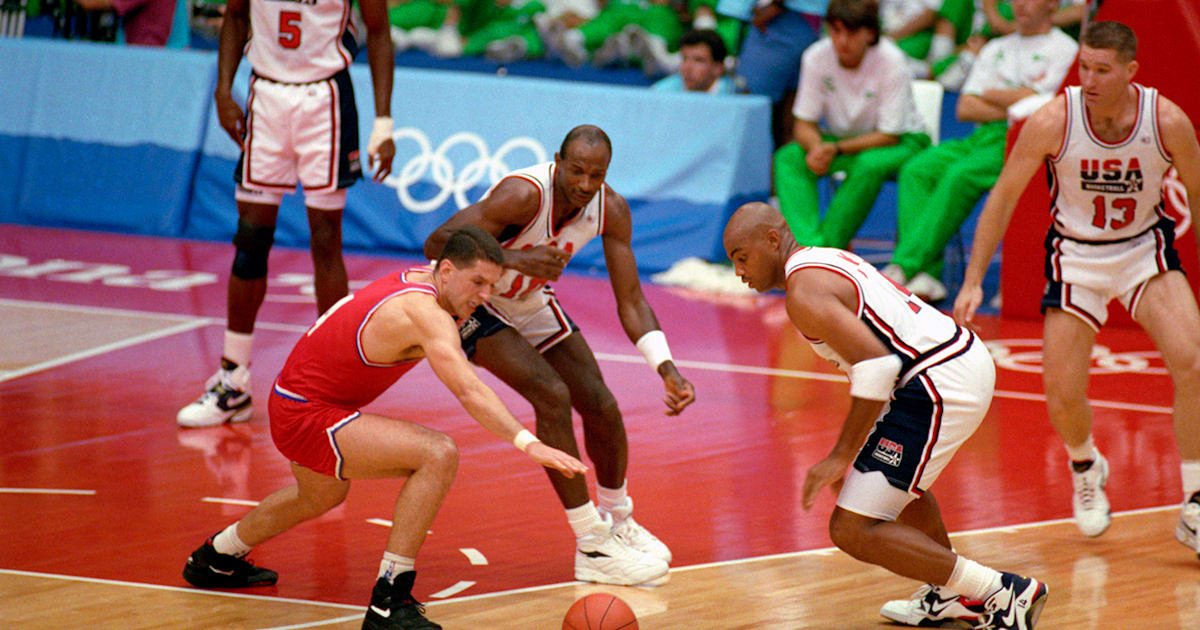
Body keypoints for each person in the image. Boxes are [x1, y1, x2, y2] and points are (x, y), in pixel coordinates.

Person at [181, 227, 588, 630]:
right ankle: (389, 600)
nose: (484, 295)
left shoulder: (423, 281)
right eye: (477, 282)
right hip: (306, 412)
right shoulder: (424, 312)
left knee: (320, 495)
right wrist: (528, 443)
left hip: (296, 401)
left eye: (491, 286)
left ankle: (216, 556)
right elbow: (469, 389)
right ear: (447, 271)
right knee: (437, 453)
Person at [724, 201, 1048, 630]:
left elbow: (877, 366)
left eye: (741, 257)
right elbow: (879, 360)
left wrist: (841, 455)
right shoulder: (821, 259)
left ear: (771, 239)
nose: (738, 272)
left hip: (936, 381)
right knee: (889, 486)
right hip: (942, 367)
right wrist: (860, 449)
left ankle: (1000, 590)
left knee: (851, 528)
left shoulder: (804, 291)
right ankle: (951, 594)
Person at [953, 22, 1200, 549]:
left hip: (1143, 252)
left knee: (1194, 362)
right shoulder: (1053, 120)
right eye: (1083, 67)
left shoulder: (1166, 121)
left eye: (1102, 70)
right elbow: (1003, 197)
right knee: (1062, 395)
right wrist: (973, 279)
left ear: (1130, 72)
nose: (1088, 79)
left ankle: (1197, 502)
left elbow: (1198, 195)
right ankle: (1086, 466)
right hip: (1077, 257)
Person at [422, 124, 697, 586]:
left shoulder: (611, 209)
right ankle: (591, 543)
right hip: (473, 300)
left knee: (602, 404)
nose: (585, 184)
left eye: (597, 175)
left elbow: (631, 299)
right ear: (557, 163)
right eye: (576, 171)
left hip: (528, 300)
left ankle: (617, 522)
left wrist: (666, 368)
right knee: (551, 394)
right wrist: (512, 260)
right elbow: (437, 243)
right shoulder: (522, 196)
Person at [176, 0, 397, 427]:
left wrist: (384, 123)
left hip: (325, 98)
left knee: (325, 240)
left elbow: (379, 31)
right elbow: (235, 16)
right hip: (266, 96)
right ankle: (233, 381)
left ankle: (333, 384)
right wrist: (223, 91)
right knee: (250, 240)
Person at [879, 0, 1076, 303]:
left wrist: (990, 93)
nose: (1020, 4)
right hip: (979, 137)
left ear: (1052, 3)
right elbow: (965, 107)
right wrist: (1019, 97)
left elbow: (1045, 108)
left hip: (1020, 139)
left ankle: (904, 266)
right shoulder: (995, 48)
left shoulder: (1066, 50)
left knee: (960, 175)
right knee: (918, 168)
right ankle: (926, 275)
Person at [774, 0, 929, 250]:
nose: (842, 41)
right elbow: (803, 123)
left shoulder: (892, 60)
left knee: (869, 164)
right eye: (836, 31)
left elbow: (889, 134)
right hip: (842, 142)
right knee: (788, 158)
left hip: (902, 141)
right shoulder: (815, 56)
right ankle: (806, 246)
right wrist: (816, 147)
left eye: (852, 32)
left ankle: (823, 252)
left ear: (870, 33)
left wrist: (834, 149)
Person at [715, 0, 828, 147]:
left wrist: (775, 6)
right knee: (792, 113)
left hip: (783, 19)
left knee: (748, 110)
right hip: (795, 19)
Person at [650, 29, 735, 94]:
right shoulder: (661, 92)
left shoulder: (733, 95)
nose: (687, 68)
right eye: (684, 59)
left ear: (718, 68)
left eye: (698, 60)